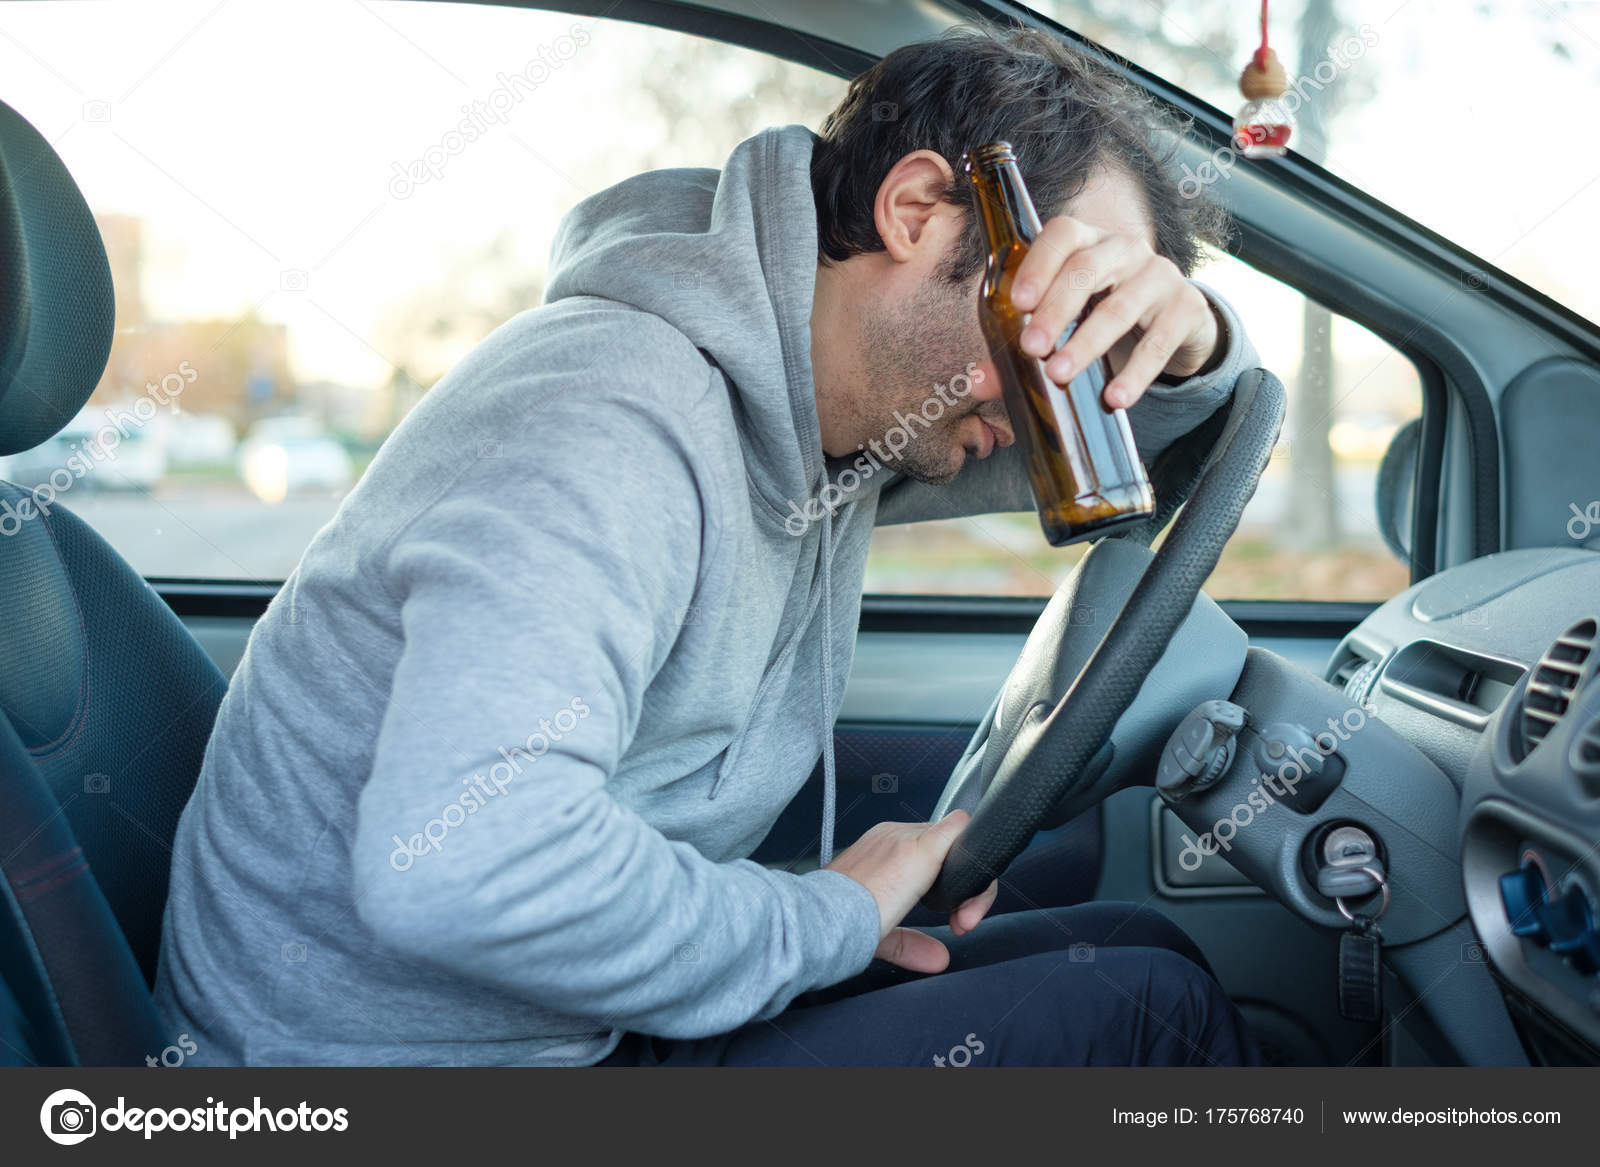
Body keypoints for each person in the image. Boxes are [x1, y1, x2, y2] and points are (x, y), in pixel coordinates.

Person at [155, 24, 1261, 1067]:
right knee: (1145, 1016)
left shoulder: (839, 428)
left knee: (1138, 945)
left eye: (1099, 322)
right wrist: (820, 915)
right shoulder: (610, 416)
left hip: (556, 1027)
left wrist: (1191, 331)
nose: (1061, 385)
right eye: (1058, 310)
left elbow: (1161, 456)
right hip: (388, 1071)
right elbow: (464, 865)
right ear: (920, 211)